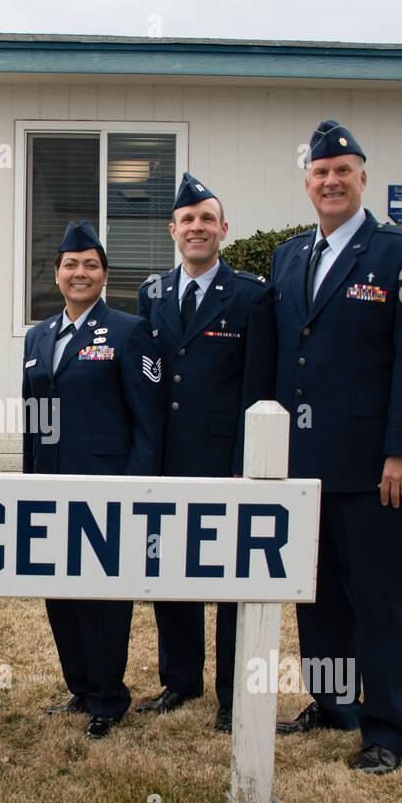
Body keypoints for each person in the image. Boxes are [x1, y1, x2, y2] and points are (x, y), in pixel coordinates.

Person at [269, 120, 402, 774]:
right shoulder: (289, 257)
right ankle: (335, 703)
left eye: (343, 170)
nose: (332, 181)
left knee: (378, 599)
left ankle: (387, 730)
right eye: (321, 172)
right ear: (308, 182)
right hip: (304, 464)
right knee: (317, 599)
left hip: (374, 468)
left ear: (363, 178)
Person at [135, 173, 277, 733]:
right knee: (171, 570)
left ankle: (230, 693)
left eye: (207, 219)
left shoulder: (251, 295)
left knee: (230, 579)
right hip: (167, 457)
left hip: (225, 460)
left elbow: (258, 386)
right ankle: (180, 679)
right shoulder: (151, 293)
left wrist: (248, 459)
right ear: (173, 230)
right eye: (187, 220)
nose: (197, 228)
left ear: (224, 229)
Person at [21, 220, 164, 740]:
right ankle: (80, 687)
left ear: (105, 275)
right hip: (52, 486)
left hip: (109, 487)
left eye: (90, 265)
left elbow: (148, 422)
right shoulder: (38, 336)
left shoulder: (130, 331)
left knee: (104, 595)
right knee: (60, 589)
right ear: (56, 273)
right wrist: (32, 482)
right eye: (70, 264)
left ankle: (108, 696)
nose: (79, 273)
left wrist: (136, 489)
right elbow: (36, 417)